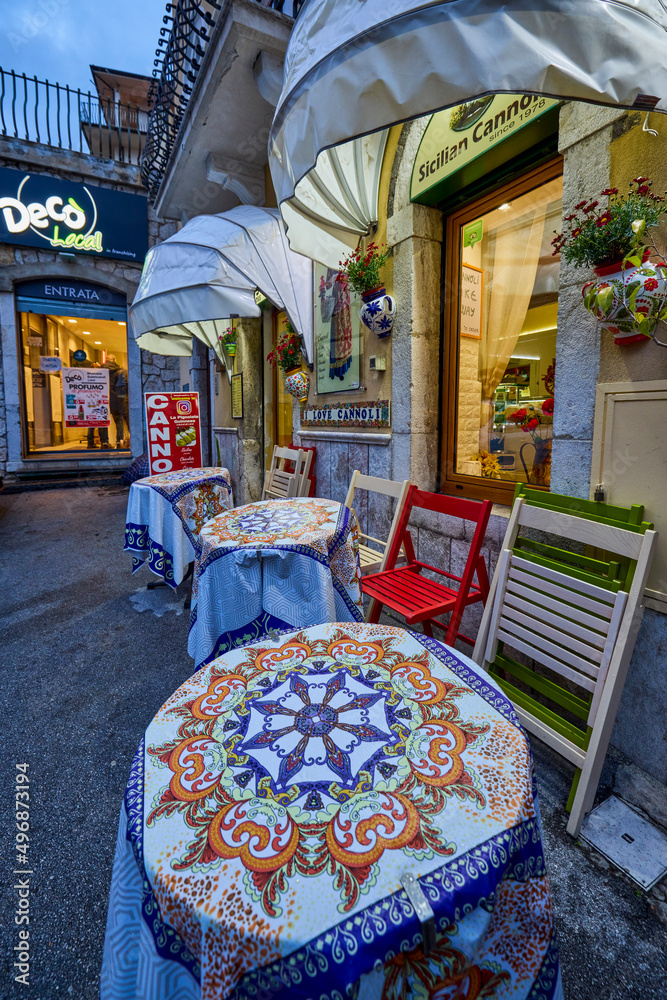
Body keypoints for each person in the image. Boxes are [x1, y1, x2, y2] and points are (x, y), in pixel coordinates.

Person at [103, 354, 129, 449]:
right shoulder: (119, 371)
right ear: (114, 360)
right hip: (117, 399)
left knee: (103, 421)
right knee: (119, 421)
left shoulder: (100, 371)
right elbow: (124, 385)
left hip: (103, 399)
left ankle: (104, 442)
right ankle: (119, 441)